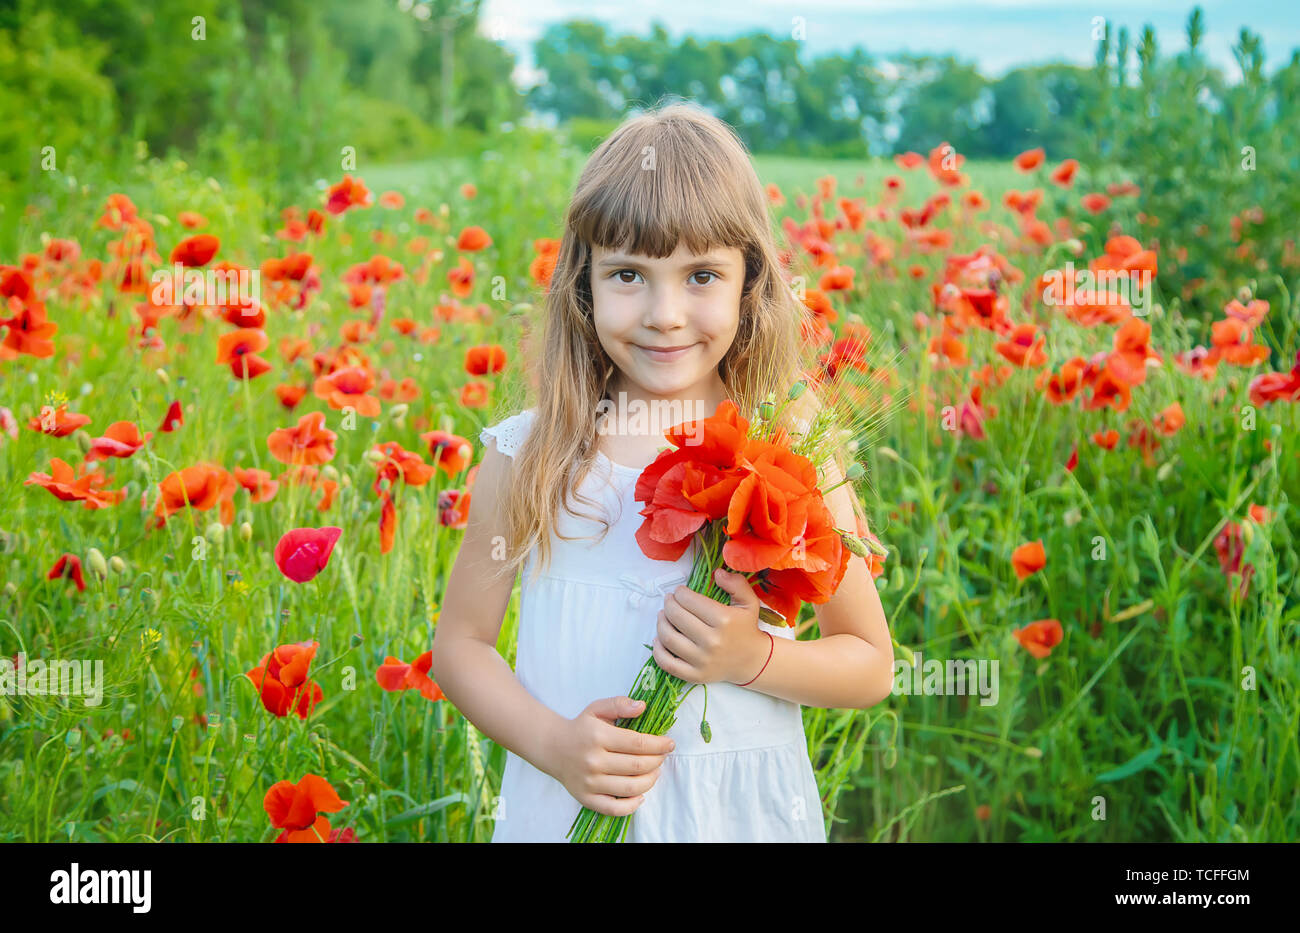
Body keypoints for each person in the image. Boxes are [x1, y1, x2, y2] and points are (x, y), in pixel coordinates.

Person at [430, 100, 894, 842]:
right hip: (569, 803)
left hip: (736, 816)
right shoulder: (530, 453)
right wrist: (556, 747)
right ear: (582, 285)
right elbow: (460, 647)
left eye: (702, 274)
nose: (665, 313)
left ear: (751, 284)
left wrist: (752, 657)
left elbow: (870, 664)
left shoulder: (791, 447)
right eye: (628, 275)